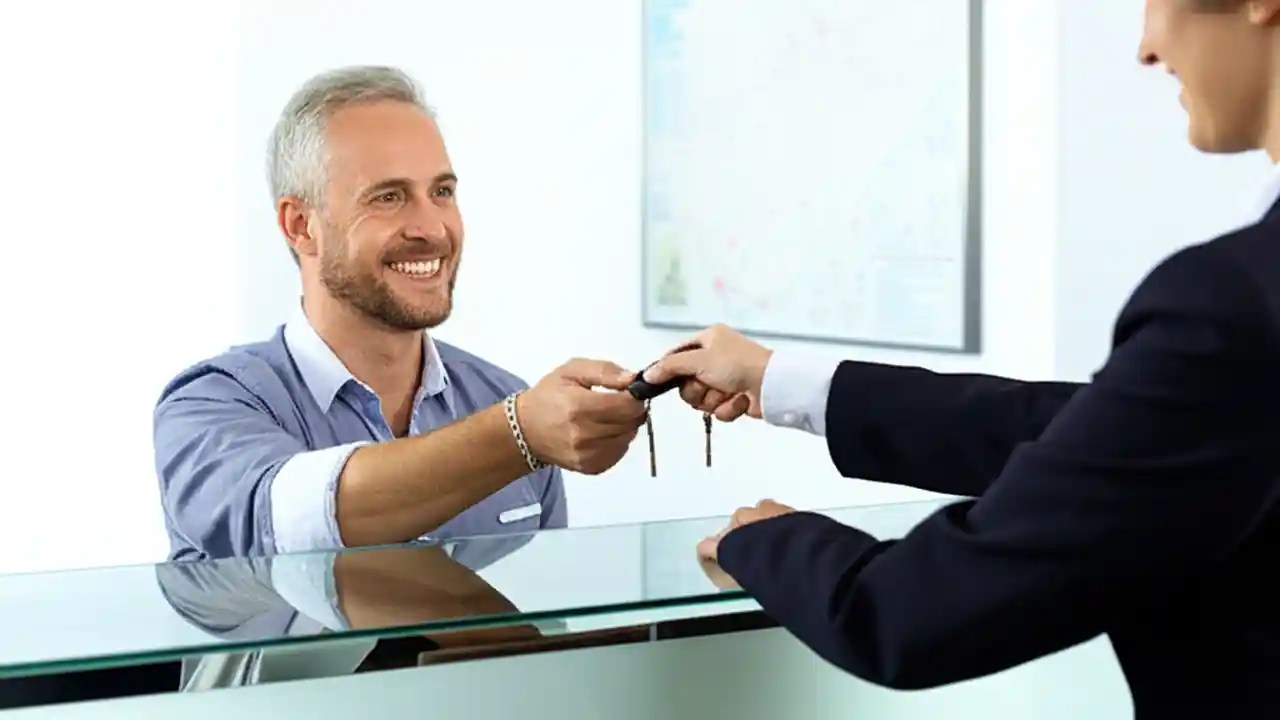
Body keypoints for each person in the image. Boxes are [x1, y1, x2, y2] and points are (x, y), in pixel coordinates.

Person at [642, 1, 1280, 716]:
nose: (1145, 46)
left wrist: (766, 541)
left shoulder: (1233, 303)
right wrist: (783, 382)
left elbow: (910, 617)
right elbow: (1121, 436)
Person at [153, 65, 646, 562]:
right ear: (301, 226)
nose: (431, 228)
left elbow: (543, 620)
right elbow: (289, 520)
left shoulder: (501, 397)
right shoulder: (208, 409)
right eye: (388, 197)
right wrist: (517, 435)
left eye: (442, 192)